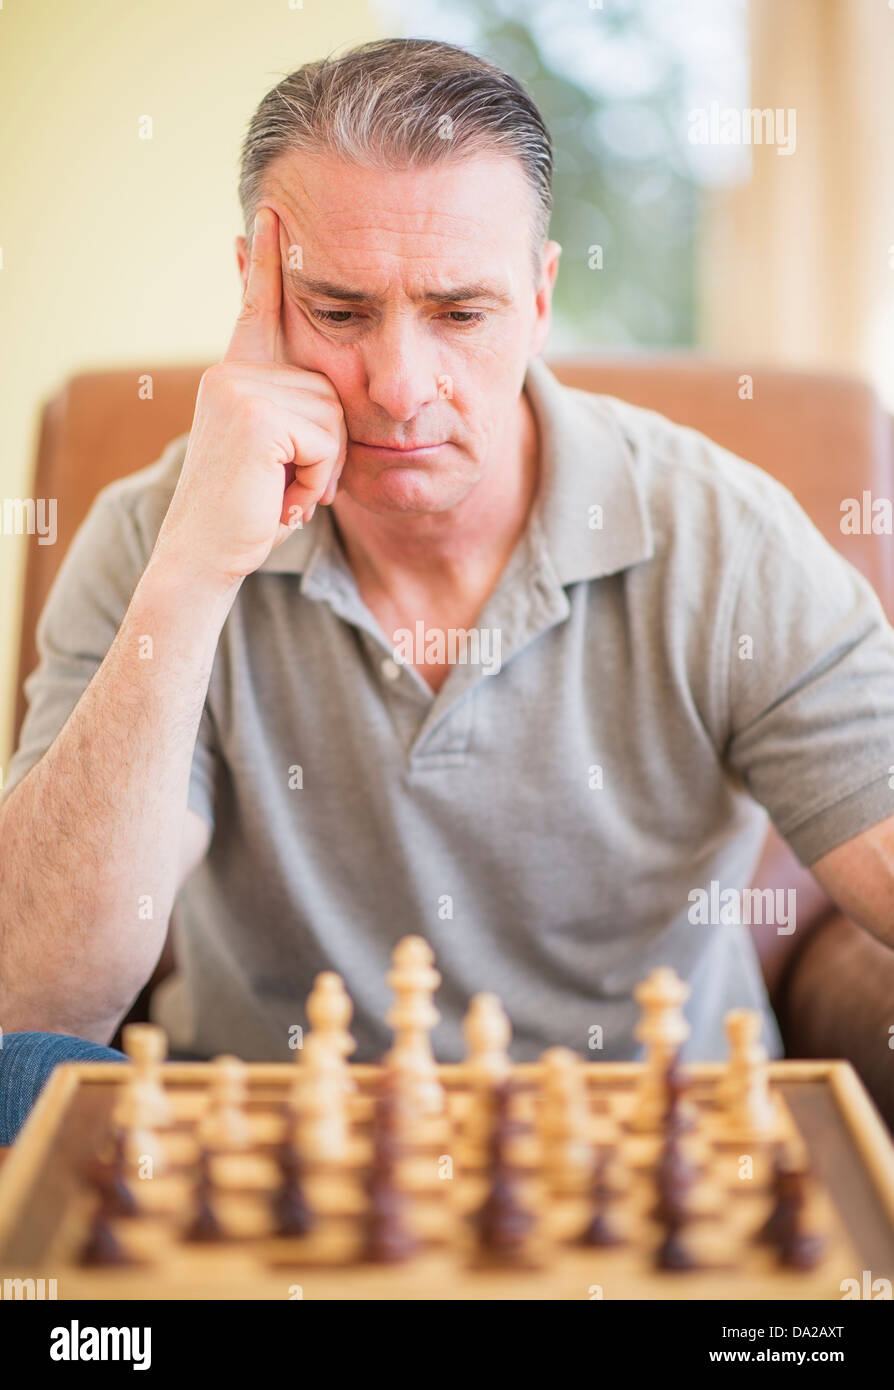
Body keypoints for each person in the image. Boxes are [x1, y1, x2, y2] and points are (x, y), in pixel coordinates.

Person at [2, 38, 894, 1146]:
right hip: (283, 1157)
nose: (400, 386)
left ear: (539, 299)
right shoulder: (150, 536)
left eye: (461, 313)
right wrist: (195, 564)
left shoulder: (725, 535)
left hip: (647, 1157)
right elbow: (31, 1004)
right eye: (337, 310)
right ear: (257, 291)